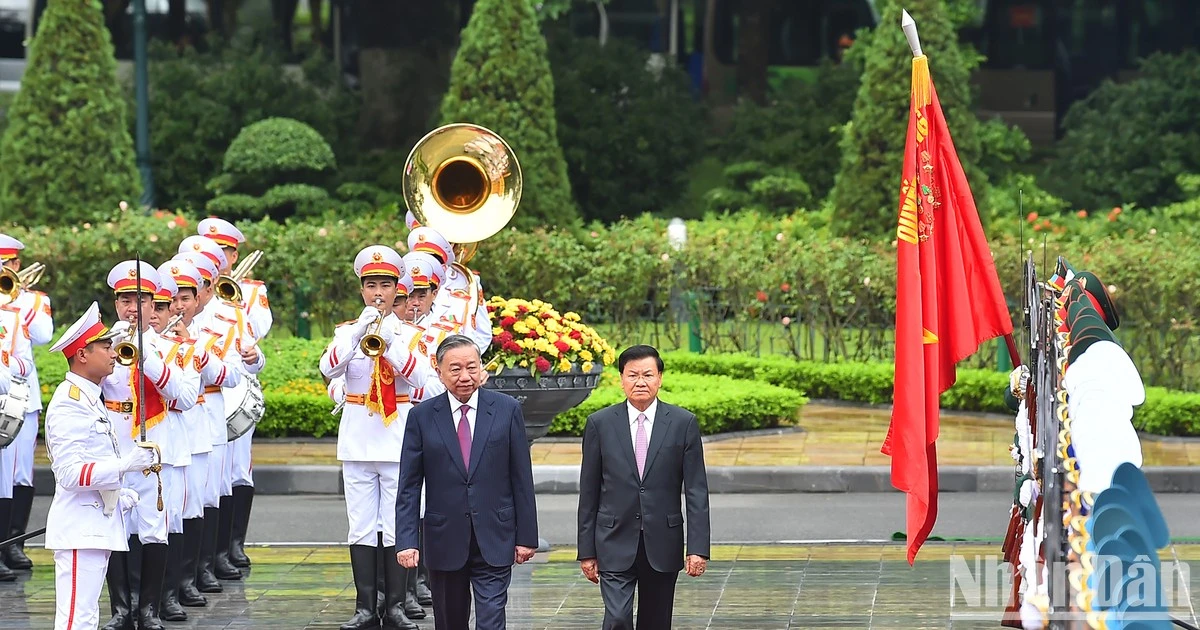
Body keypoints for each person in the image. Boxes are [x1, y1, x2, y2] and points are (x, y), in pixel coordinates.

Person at [319, 245, 433, 630]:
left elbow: (422, 381)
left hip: (398, 437)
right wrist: (357, 333)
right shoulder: (347, 331)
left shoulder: (412, 336)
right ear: (362, 290)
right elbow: (328, 368)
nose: (378, 293)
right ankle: (365, 607)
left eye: (386, 285)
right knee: (362, 526)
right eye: (371, 286)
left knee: (398, 523)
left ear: (397, 287)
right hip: (357, 438)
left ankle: (397, 606)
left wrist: (390, 337)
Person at [395, 334, 539, 630]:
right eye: (456, 369)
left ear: (481, 368)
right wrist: (407, 540)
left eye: (472, 368)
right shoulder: (421, 416)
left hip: (495, 534)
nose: (465, 376)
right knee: (449, 621)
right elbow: (409, 485)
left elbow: (521, 477)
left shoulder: (506, 409)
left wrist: (527, 536)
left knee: (491, 620)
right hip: (443, 537)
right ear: (439, 370)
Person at [576, 344, 711, 630]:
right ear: (621, 379)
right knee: (617, 619)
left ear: (660, 378)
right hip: (612, 539)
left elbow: (697, 490)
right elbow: (588, 492)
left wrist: (697, 548)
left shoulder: (682, 423)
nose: (640, 382)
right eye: (633, 375)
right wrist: (586, 551)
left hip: (663, 541)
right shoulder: (600, 424)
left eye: (648, 375)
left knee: (656, 622)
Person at [99, 261, 200, 630]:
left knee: (154, 530)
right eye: (124, 299)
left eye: (139, 300)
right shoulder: (102, 342)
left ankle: (149, 611)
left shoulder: (171, 347)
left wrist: (148, 357)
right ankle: (121, 610)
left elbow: (186, 396)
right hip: (114, 446)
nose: (131, 307)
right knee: (116, 529)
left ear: (152, 304)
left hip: (155, 449)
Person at [44, 301, 154, 630]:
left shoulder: (90, 397)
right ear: (82, 354)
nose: (112, 353)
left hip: (93, 524)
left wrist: (116, 495)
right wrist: (124, 466)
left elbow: (92, 462)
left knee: (87, 616)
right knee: (76, 619)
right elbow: (69, 473)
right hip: (80, 528)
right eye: (104, 346)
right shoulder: (70, 403)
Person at [198, 216, 270, 570]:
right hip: (203, 392)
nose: (219, 257)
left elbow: (258, 332)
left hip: (235, 386)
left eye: (225, 251)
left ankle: (232, 545)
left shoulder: (252, 290)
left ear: (235, 253)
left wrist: (235, 299)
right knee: (209, 475)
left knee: (238, 469)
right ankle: (208, 554)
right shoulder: (184, 289)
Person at [0, 233, 54, 572]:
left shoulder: (33, 300)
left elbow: (45, 336)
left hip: (20, 395)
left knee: (19, 473)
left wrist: (17, 299)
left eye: (11, 263)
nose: (7, 268)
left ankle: (14, 543)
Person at [0, 298, 33, 582]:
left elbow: (26, 365)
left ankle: (2, 551)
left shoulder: (11, 319)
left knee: (4, 481)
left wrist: (3, 361)